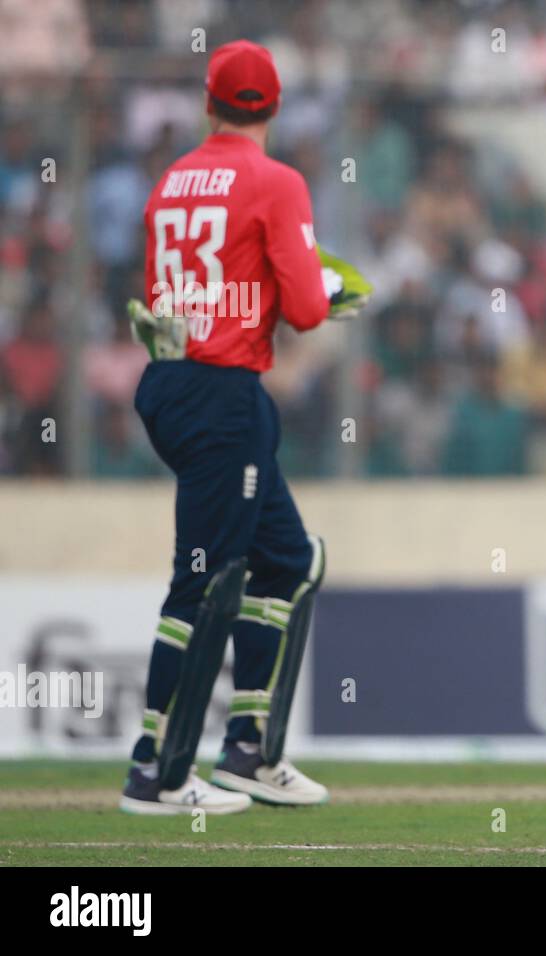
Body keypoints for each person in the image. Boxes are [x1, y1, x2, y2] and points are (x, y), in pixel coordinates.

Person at [120, 39, 341, 814]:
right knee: (208, 576)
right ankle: (156, 768)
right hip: (222, 390)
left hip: (172, 381)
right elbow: (309, 311)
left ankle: (248, 750)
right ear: (273, 109)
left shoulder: (170, 182)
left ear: (209, 104)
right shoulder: (275, 181)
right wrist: (318, 286)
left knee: (288, 560)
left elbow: (168, 295)